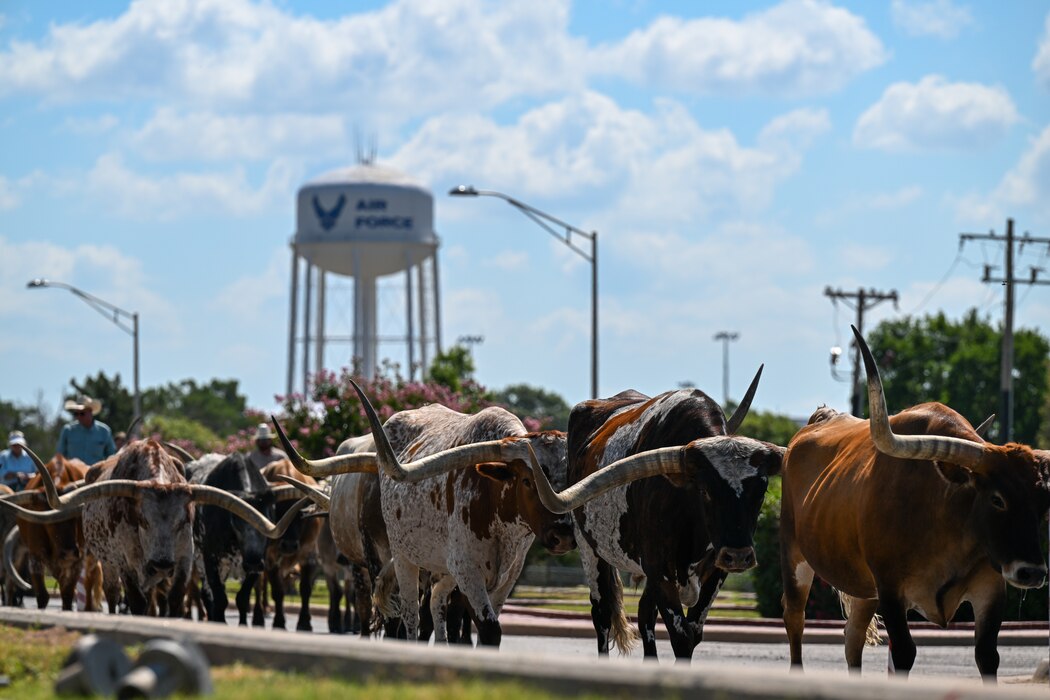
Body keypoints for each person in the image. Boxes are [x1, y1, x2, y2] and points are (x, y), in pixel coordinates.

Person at [56, 395, 117, 465]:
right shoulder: (67, 430)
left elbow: (112, 457)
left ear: (90, 412)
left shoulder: (104, 431)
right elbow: (59, 456)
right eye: (76, 414)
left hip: (96, 474)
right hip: (74, 474)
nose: (79, 417)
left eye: (82, 413)